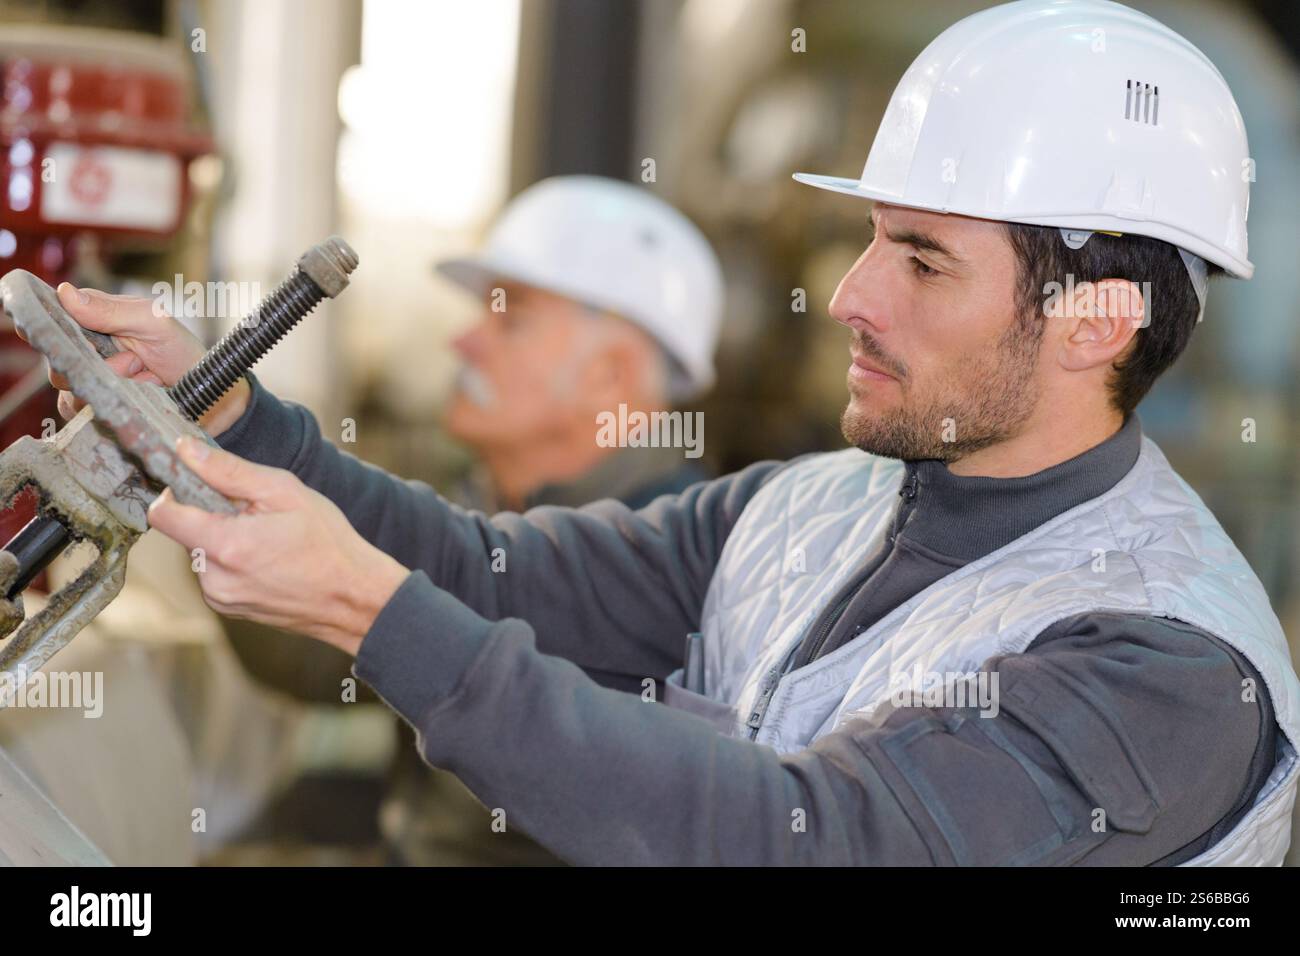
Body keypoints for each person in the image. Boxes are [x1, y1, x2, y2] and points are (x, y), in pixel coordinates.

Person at [50, 0, 1300, 864]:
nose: (853, 294)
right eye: (871, 236)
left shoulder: (1168, 668)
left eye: (922, 259)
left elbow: (794, 839)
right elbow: (499, 572)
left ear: (1094, 320)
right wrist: (243, 418)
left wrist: (370, 615)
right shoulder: (808, 505)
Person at [391, 175, 725, 864]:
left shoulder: (673, 575)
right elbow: (312, 653)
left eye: (509, 321)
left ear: (609, 377)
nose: (465, 342)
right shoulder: (486, 502)